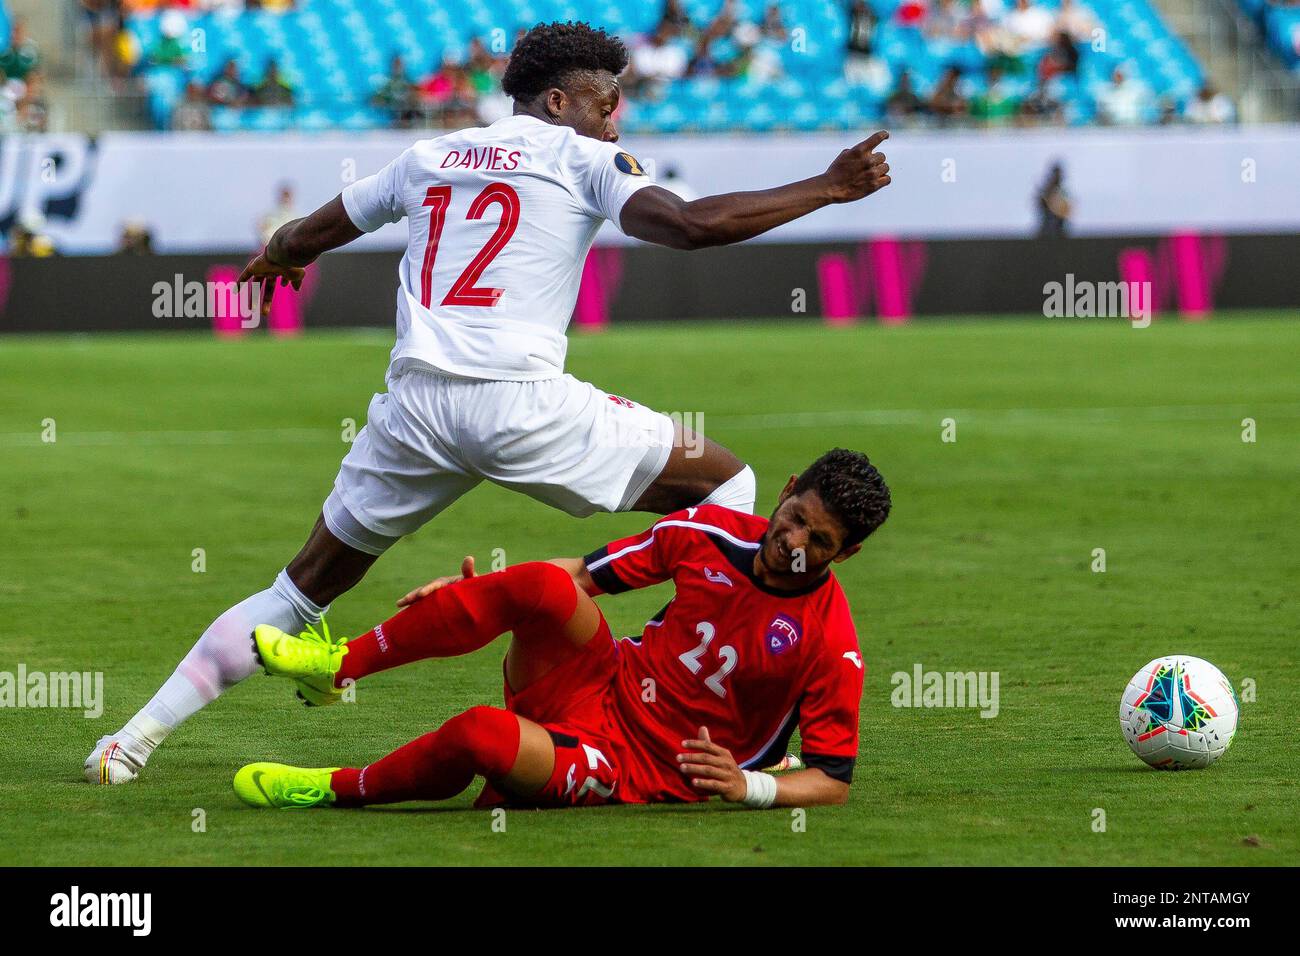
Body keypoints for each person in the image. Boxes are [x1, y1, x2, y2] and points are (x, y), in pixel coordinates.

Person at [86, 21, 892, 786]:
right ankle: (660, 687)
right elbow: (688, 225)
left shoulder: (428, 154)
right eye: (607, 101)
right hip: (521, 404)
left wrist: (276, 257)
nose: (616, 120)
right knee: (730, 488)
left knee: (298, 592)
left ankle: (129, 743)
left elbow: (312, 231)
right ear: (558, 103)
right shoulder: (582, 160)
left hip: (415, 412)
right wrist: (827, 186)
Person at [233, 449, 890, 811]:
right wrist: (479, 594)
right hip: (605, 680)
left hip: (643, 766)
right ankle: (334, 666)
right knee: (542, 586)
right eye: (795, 517)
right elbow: (580, 574)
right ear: (789, 486)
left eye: (819, 540)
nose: (793, 542)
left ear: (847, 554)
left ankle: (328, 788)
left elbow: (833, 777)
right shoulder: (705, 531)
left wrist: (753, 786)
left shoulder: (831, 642)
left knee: (477, 735)